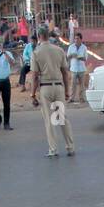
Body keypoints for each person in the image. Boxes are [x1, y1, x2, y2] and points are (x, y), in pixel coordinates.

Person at [29, 26, 74, 158]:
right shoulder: (59, 50)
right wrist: (67, 91)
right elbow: (65, 72)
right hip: (58, 87)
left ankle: (53, 149)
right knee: (61, 118)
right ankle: (70, 147)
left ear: (39, 36)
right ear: (48, 36)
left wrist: (32, 94)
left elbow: (35, 76)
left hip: (46, 88)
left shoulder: (36, 52)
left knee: (49, 120)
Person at [66, 32, 89, 104]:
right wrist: (72, 55)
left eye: (77, 38)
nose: (76, 40)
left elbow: (85, 58)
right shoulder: (71, 47)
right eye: (75, 38)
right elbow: (67, 57)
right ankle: (71, 98)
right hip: (73, 68)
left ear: (81, 39)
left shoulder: (84, 47)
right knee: (72, 84)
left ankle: (81, 98)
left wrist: (80, 57)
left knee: (82, 85)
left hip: (81, 68)